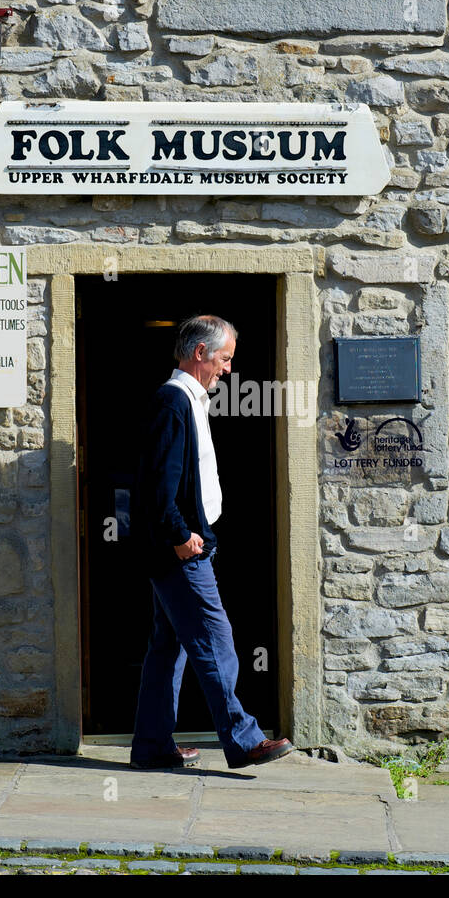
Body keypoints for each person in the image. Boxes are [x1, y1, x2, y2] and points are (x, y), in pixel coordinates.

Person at [128, 314, 295, 770]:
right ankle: (243, 740)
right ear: (200, 353)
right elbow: (158, 483)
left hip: (180, 548)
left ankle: (151, 747)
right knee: (216, 640)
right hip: (179, 552)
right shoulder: (173, 401)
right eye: (223, 358)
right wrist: (180, 536)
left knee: (169, 648)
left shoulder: (188, 400)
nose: (227, 368)